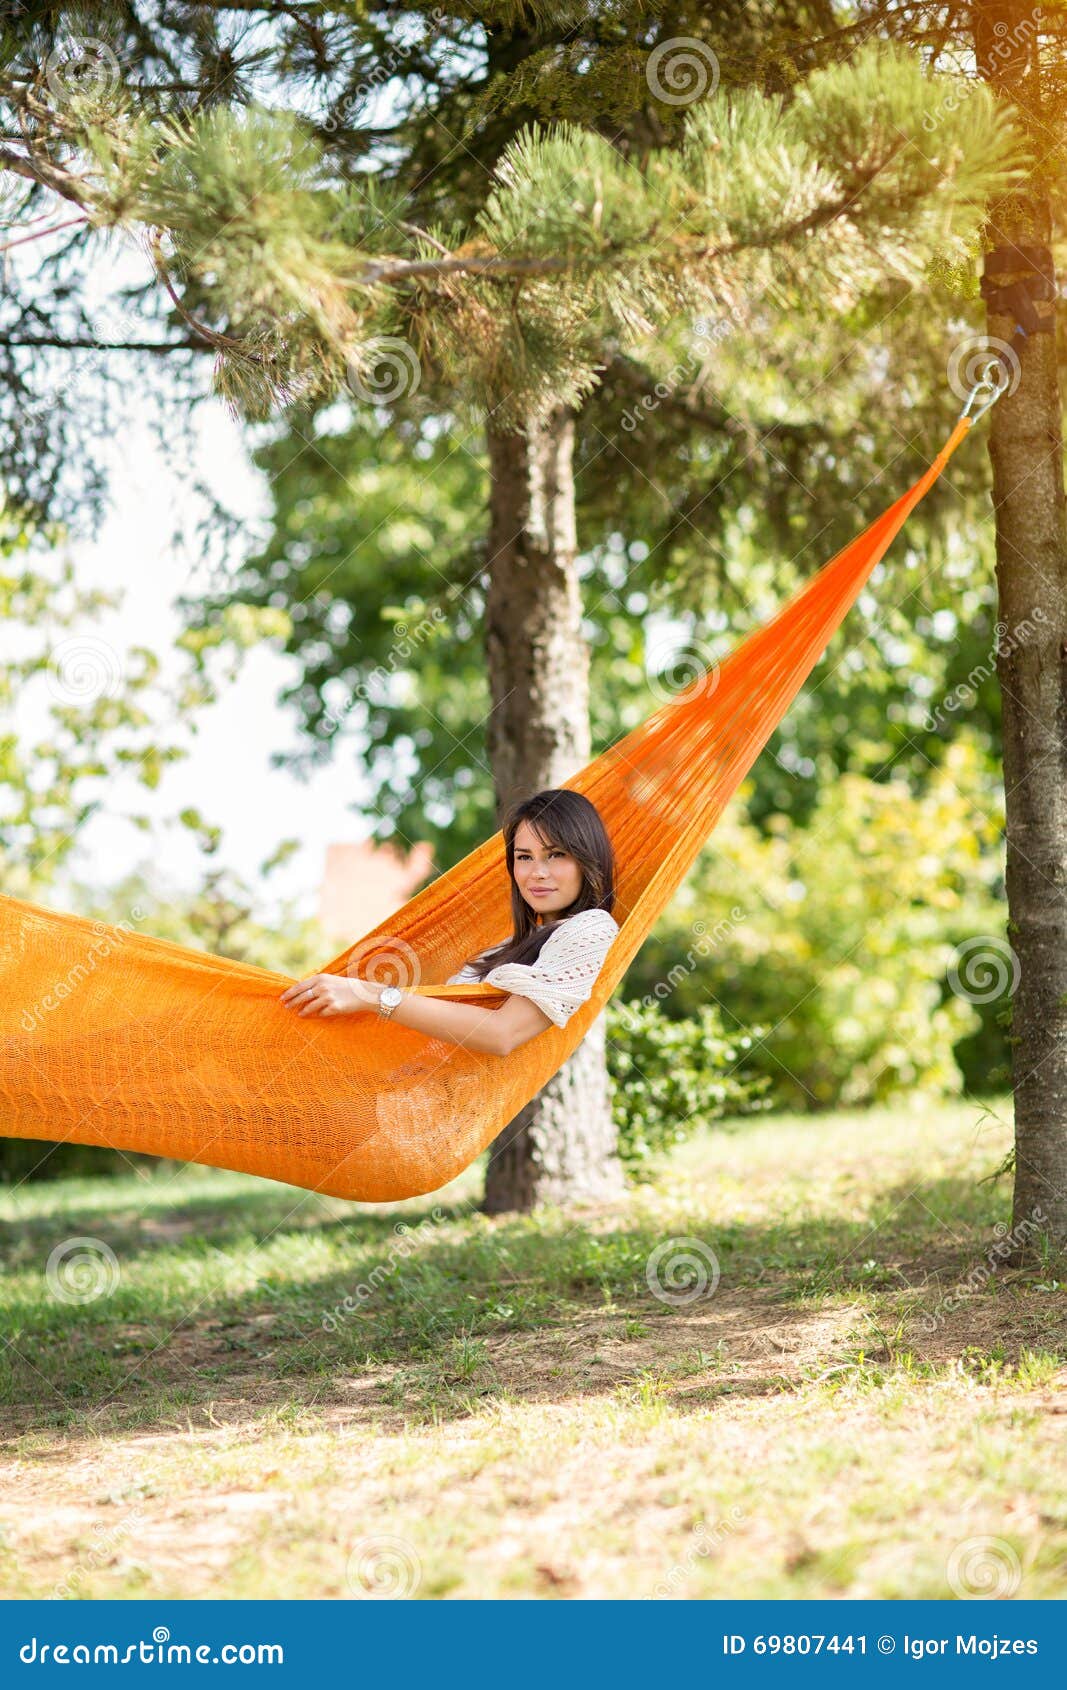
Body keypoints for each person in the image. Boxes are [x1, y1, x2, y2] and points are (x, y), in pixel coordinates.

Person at [279, 789, 620, 1056]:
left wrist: (372, 997)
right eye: (524, 857)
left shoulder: (591, 928)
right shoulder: (511, 947)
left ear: (586, 859)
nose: (537, 872)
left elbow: (502, 1034)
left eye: (556, 854)